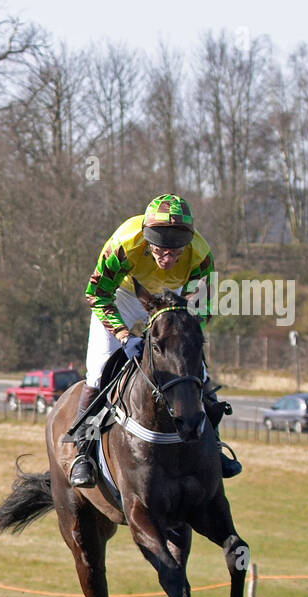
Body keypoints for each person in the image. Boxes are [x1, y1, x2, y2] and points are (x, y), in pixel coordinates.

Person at [68, 194, 241, 488]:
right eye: (161, 251)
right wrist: (124, 336)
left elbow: (204, 308)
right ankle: (82, 452)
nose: (168, 259)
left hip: (173, 300)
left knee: (196, 370)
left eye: (176, 253)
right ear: (148, 241)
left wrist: (182, 338)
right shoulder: (124, 244)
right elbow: (97, 295)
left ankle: (214, 446)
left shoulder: (200, 255)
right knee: (97, 372)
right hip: (122, 296)